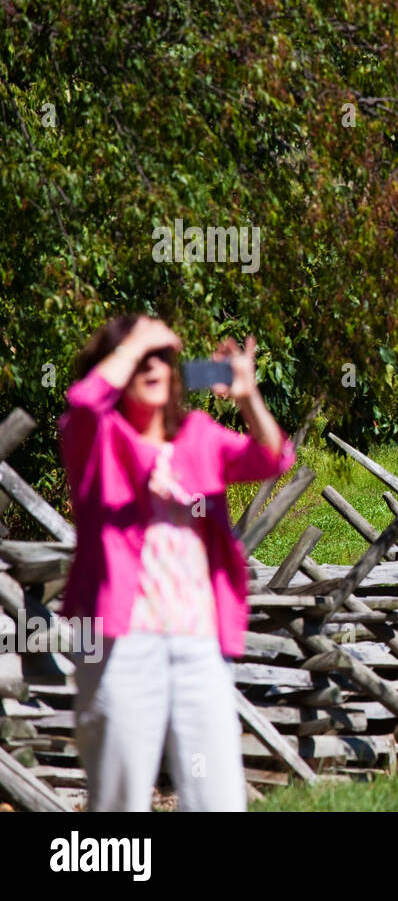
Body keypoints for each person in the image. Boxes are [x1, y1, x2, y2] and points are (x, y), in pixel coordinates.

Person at [60, 314, 296, 811]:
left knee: (217, 799)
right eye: (138, 359)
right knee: (119, 801)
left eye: (160, 359)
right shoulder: (96, 437)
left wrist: (248, 394)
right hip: (121, 644)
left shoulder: (198, 435)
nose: (152, 367)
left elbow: (274, 457)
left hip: (199, 643)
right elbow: (82, 400)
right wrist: (141, 339)